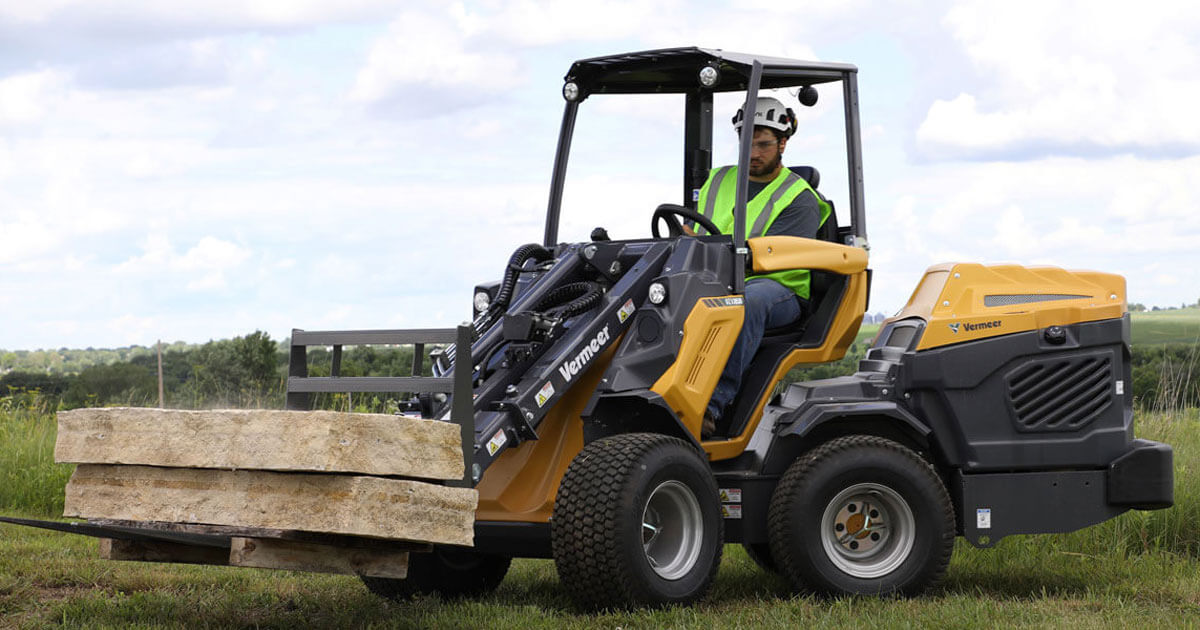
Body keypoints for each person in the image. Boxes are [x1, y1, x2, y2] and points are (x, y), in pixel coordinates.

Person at [696, 95, 831, 438]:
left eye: (764, 144)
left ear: (783, 143)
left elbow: (779, 260)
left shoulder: (798, 197)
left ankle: (710, 409)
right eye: (747, 143)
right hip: (718, 278)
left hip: (780, 291)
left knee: (746, 302)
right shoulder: (718, 181)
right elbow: (695, 232)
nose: (753, 153)